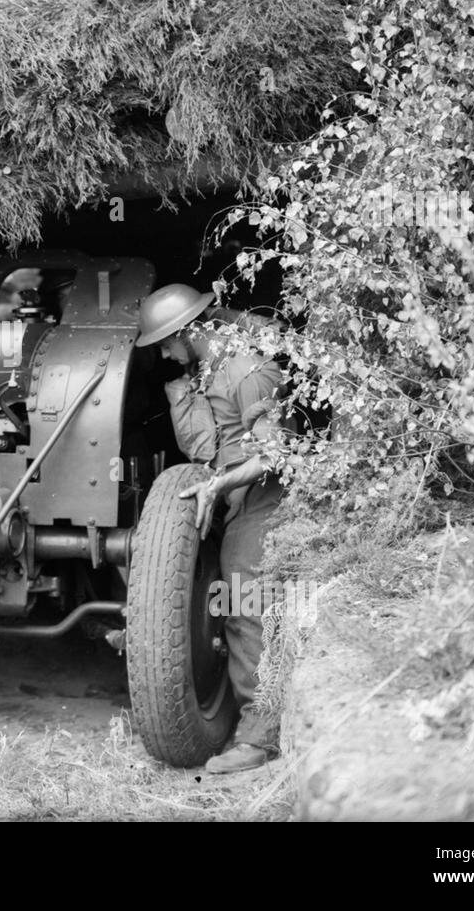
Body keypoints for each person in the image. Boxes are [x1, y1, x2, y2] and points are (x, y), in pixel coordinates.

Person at [135, 282, 289, 774]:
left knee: (246, 602)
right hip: (235, 497)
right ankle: (252, 725)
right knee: (231, 598)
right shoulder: (207, 370)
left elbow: (274, 453)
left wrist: (219, 485)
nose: (162, 351)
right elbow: (209, 442)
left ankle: (260, 739)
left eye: (165, 340)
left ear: (189, 329)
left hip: (264, 500)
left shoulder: (246, 370)